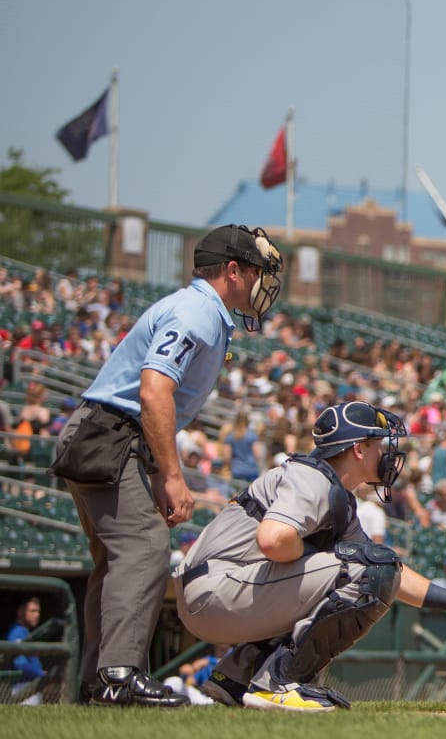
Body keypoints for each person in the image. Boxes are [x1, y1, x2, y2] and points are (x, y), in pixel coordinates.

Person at [52, 224, 283, 708]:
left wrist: (158, 469)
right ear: (234, 270)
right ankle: (117, 675)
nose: (263, 283)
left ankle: (102, 681)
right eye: (257, 271)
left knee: (117, 560)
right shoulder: (197, 310)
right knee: (144, 547)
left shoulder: (202, 310)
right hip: (110, 433)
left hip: (107, 432)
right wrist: (173, 474)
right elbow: (154, 389)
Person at [176, 400, 446, 712]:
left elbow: (392, 574)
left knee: (370, 566)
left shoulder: (334, 493)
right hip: (217, 589)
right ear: (358, 449)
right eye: (378, 444)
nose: (385, 453)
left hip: (218, 591)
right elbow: (273, 540)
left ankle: (237, 676)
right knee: (366, 569)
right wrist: (310, 554)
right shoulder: (312, 480)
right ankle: (278, 683)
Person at [7, 597, 46, 705]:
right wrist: (41, 673)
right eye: (32, 611)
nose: (37, 615)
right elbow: (20, 664)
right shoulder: (17, 632)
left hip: (30, 687)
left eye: (38, 611)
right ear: (20, 611)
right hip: (23, 688)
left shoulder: (24, 631)